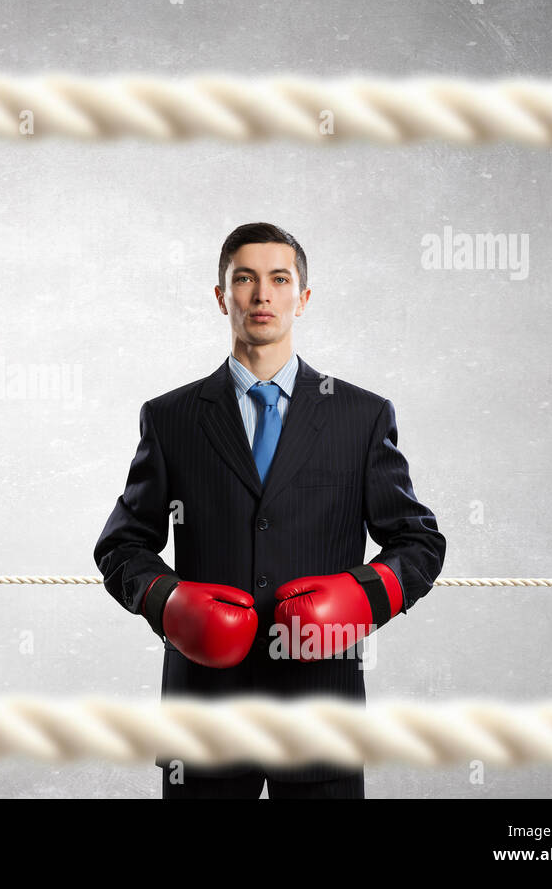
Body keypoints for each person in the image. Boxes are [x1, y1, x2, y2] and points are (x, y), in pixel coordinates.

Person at [93, 222, 446, 799]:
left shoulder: (360, 416)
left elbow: (420, 543)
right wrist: (170, 602)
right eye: (245, 279)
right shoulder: (171, 418)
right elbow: (120, 546)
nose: (263, 295)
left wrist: (362, 598)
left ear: (302, 298)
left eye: (280, 280)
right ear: (221, 296)